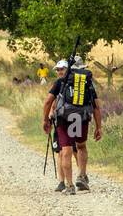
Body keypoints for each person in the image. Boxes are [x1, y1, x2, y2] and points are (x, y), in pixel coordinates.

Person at [42, 57, 102, 194]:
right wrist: (99, 127)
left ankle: (69, 186)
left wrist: (45, 120)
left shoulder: (61, 82)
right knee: (81, 146)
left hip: (64, 119)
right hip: (82, 118)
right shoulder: (87, 83)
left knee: (66, 151)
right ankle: (81, 175)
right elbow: (96, 106)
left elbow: (47, 102)